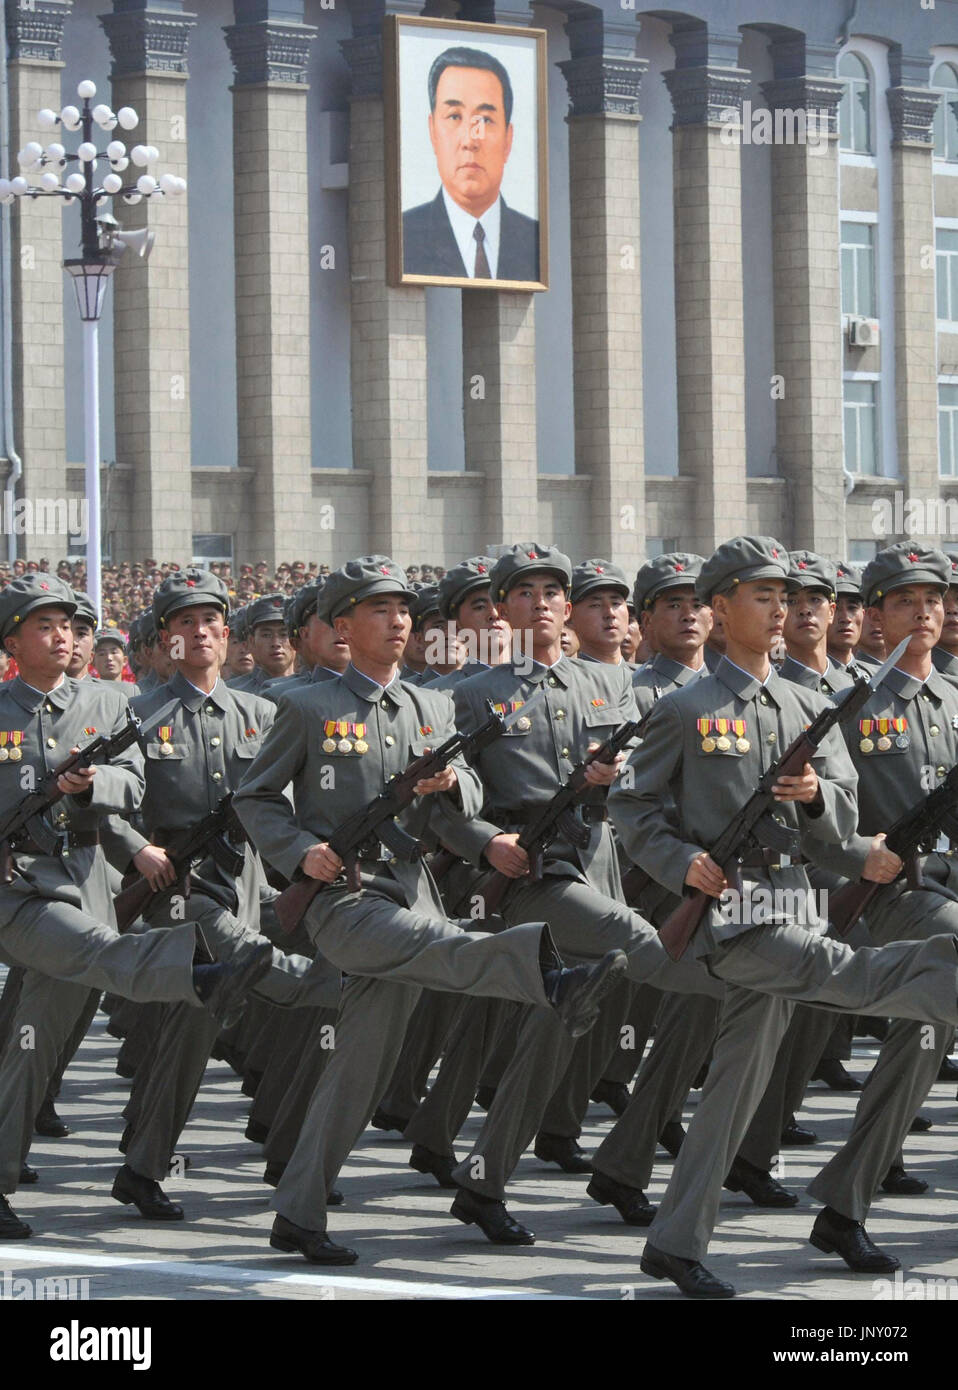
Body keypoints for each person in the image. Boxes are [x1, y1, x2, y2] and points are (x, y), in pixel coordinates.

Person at [234, 555, 625, 1264]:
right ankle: (542, 971)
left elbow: (452, 816)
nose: (396, 621)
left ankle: (298, 1211)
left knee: (359, 1071)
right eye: (378, 610)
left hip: (411, 887)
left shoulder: (429, 706)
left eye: (404, 610)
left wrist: (463, 802)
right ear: (344, 626)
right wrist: (298, 853)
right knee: (446, 946)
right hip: (342, 897)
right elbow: (255, 798)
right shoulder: (306, 705)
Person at [607, 536, 958, 1298]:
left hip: (796, 902)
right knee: (857, 977)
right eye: (761, 597)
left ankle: (674, 1241)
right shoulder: (685, 707)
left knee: (734, 1086)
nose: (780, 611)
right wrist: (678, 864)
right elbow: (630, 804)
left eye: (786, 597)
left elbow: (839, 824)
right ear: (721, 607)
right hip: (734, 918)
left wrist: (818, 803)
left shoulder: (811, 706)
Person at [0, 575, 273, 1241]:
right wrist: (143, 849)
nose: (62, 635)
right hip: (86, 894)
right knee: (191, 973)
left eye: (67, 623)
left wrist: (96, 786)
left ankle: (141, 1167)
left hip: (116, 888)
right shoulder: (138, 706)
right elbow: (138, 807)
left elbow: (127, 781)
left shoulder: (111, 703)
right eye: (43, 625)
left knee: (41, 1046)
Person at [402, 46, 539, 282]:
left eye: (485, 120)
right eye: (455, 117)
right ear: (433, 131)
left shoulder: (535, 238)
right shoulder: (404, 235)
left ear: (508, 139)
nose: (470, 140)